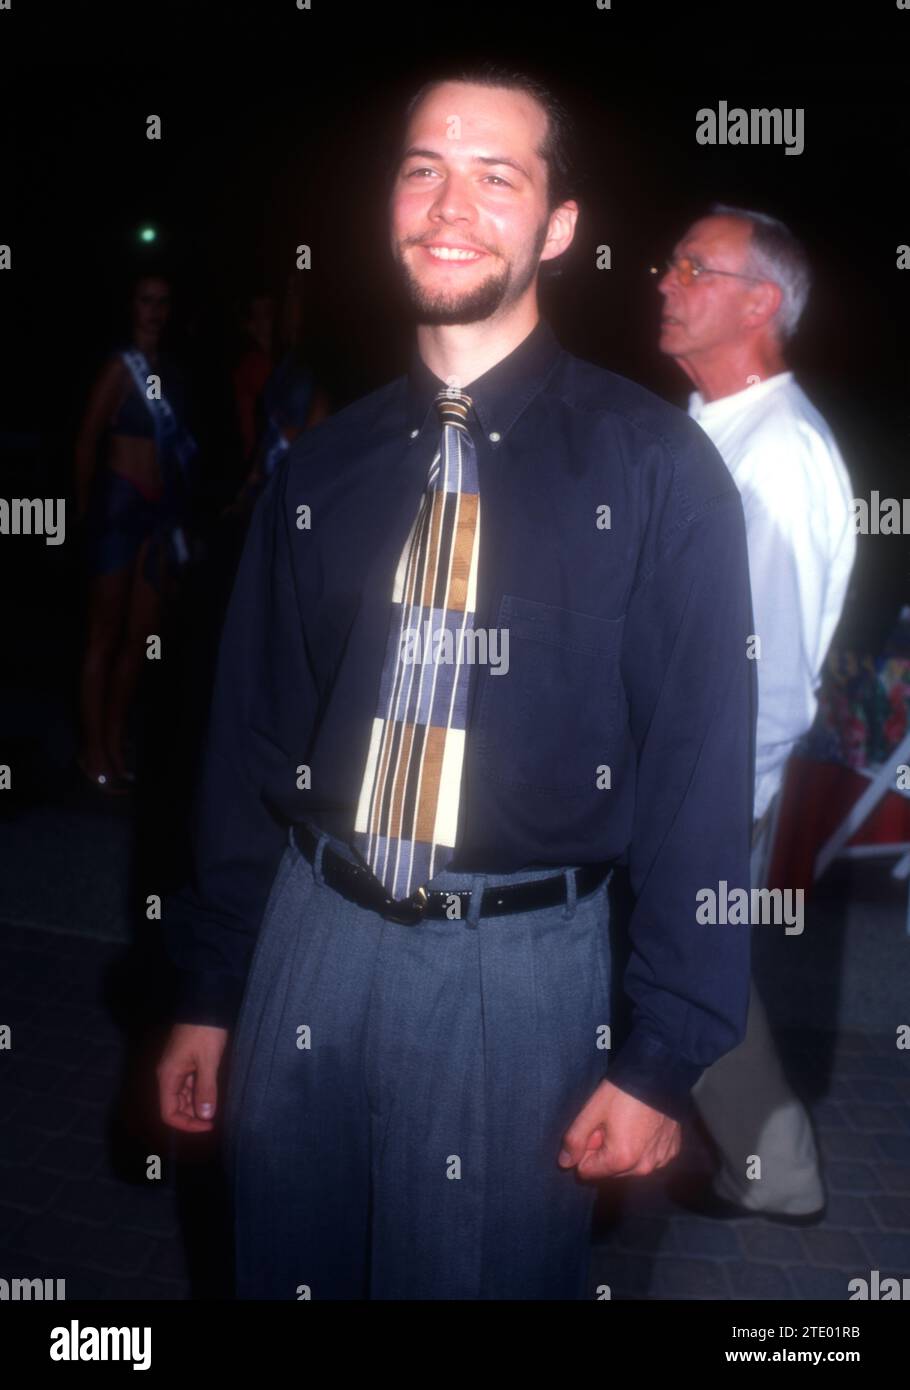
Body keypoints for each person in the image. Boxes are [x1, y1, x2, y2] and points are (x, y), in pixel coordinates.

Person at [157, 65, 757, 1300]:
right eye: (424, 168)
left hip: (520, 973)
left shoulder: (654, 472)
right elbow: (247, 744)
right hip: (307, 946)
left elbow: (702, 770)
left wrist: (662, 1053)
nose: (449, 204)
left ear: (557, 226)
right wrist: (212, 987)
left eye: (497, 176)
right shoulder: (322, 467)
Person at [654, 206, 856, 1222]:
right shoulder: (715, 426)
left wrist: (707, 812)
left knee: (676, 964)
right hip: (678, 774)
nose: (663, 280)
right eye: (671, 263)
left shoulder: (774, 457)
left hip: (705, 784)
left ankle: (767, 1161)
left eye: (694, 267)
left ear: (759, 303)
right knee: (688, 966)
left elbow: (772, 676)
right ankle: (772, 1163)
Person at [74, 270, 198, 792]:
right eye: (146, 300)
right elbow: (85, 441)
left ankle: (117, 739)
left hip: (157, 514)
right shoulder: (117, 368)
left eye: (163, 301)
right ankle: (91, 749)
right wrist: (82, 518)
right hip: (117, 511)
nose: (154, 309)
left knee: (143, 637)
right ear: (132, 306)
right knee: (103, 635)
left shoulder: (167, 369)